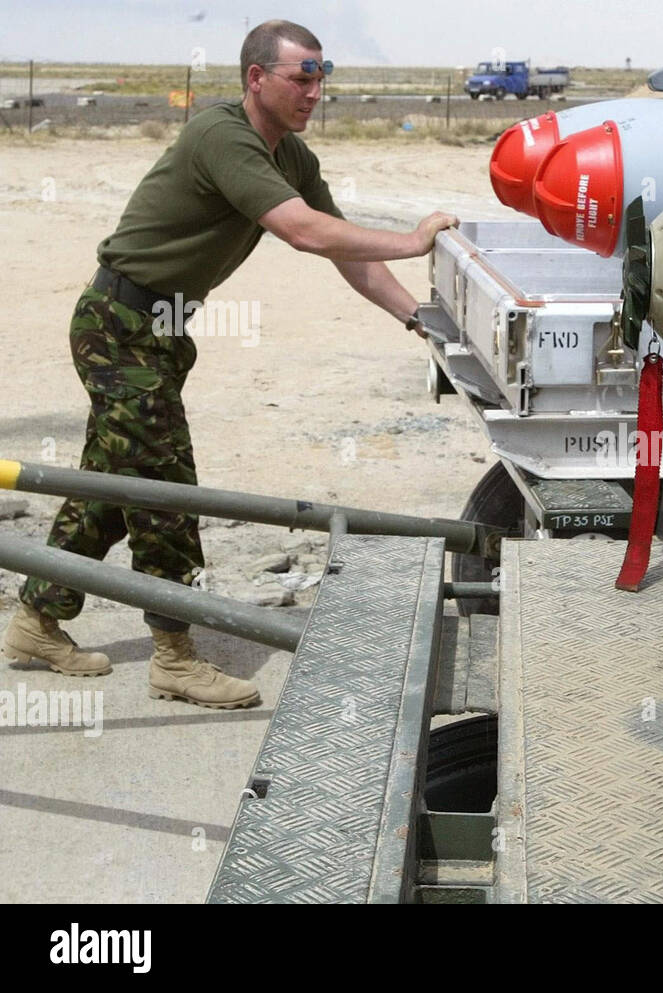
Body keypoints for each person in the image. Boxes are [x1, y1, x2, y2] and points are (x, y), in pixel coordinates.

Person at [1, 20, 458, 708]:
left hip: (154, 332)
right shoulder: (222, 135)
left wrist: (416, 318)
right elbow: (303, 232)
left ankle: (36, 619)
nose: (315, 88)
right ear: (256, 78)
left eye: (321, 74)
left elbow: (344, 254)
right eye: (301, 75)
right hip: (116, 325)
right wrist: (413, 240)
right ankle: (175, 655)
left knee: (111, 482)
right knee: (166, 486)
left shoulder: (290, 156)